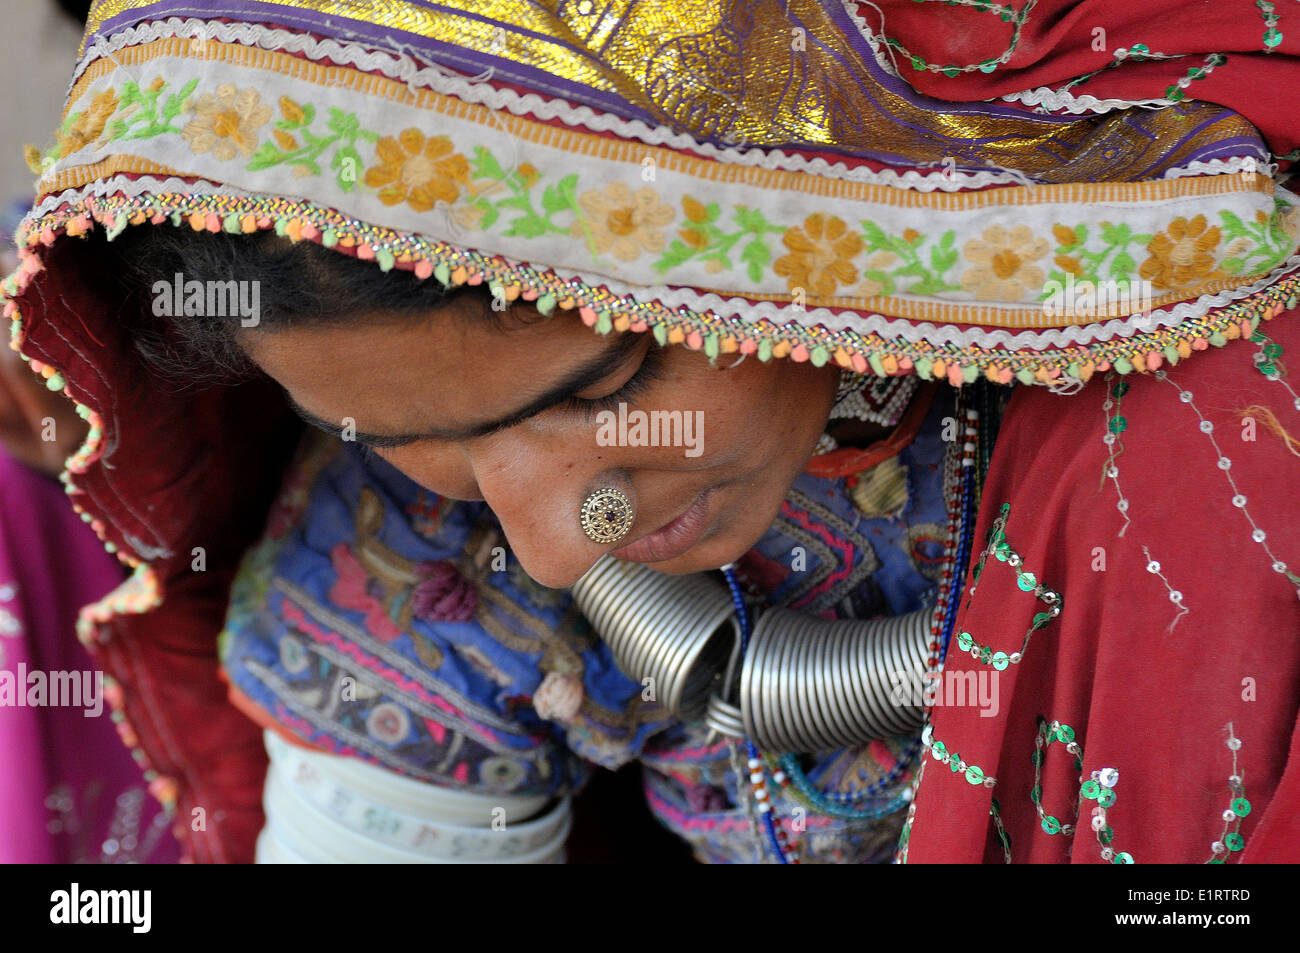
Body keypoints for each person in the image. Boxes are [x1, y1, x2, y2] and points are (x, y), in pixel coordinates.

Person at [5, 0, 1298, 863]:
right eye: (411, 434)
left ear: (791, 188)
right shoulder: (418, 565)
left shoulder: (1209, 425)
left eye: (606, 377)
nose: (557, 541)